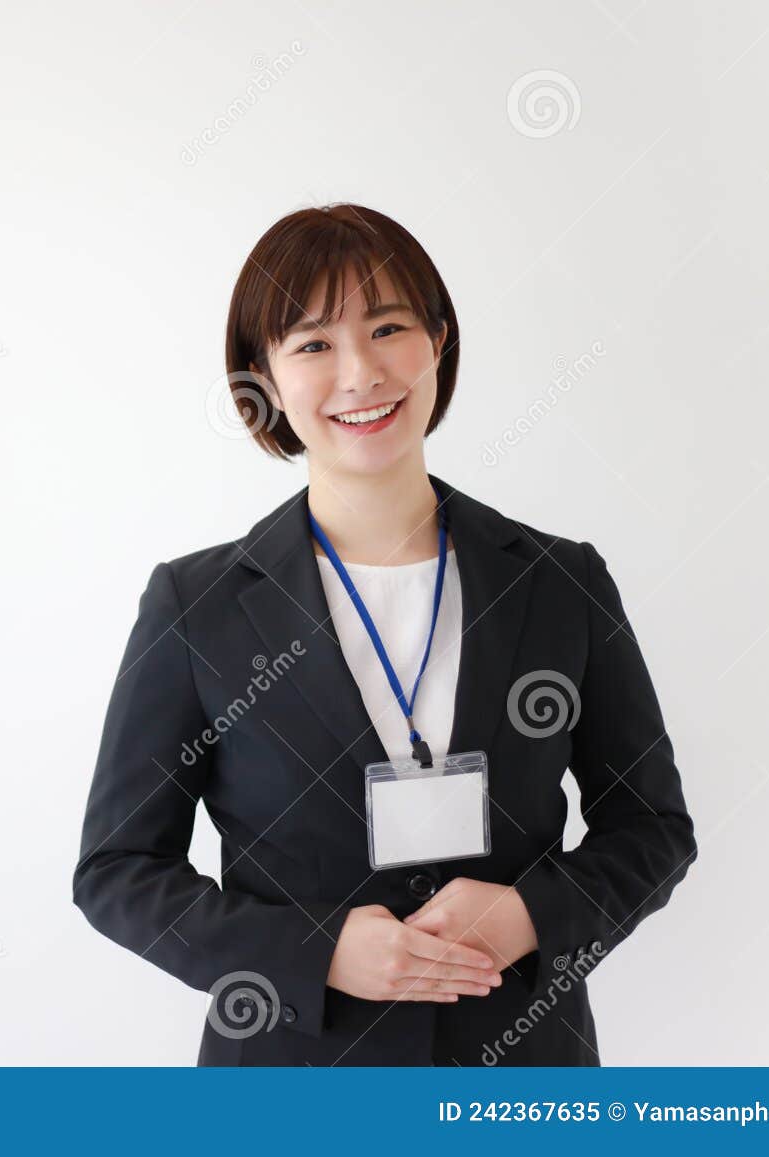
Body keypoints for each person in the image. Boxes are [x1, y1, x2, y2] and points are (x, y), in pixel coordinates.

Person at [71, 203, 697, 1066]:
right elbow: (118, 869)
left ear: (438, 340)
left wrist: (529, 915)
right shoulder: (197, 603)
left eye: (389, 327)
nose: (360, 373)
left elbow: (653, 827)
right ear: (265, 376)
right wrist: (314, 948)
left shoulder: (560, 581)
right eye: (314, 344)